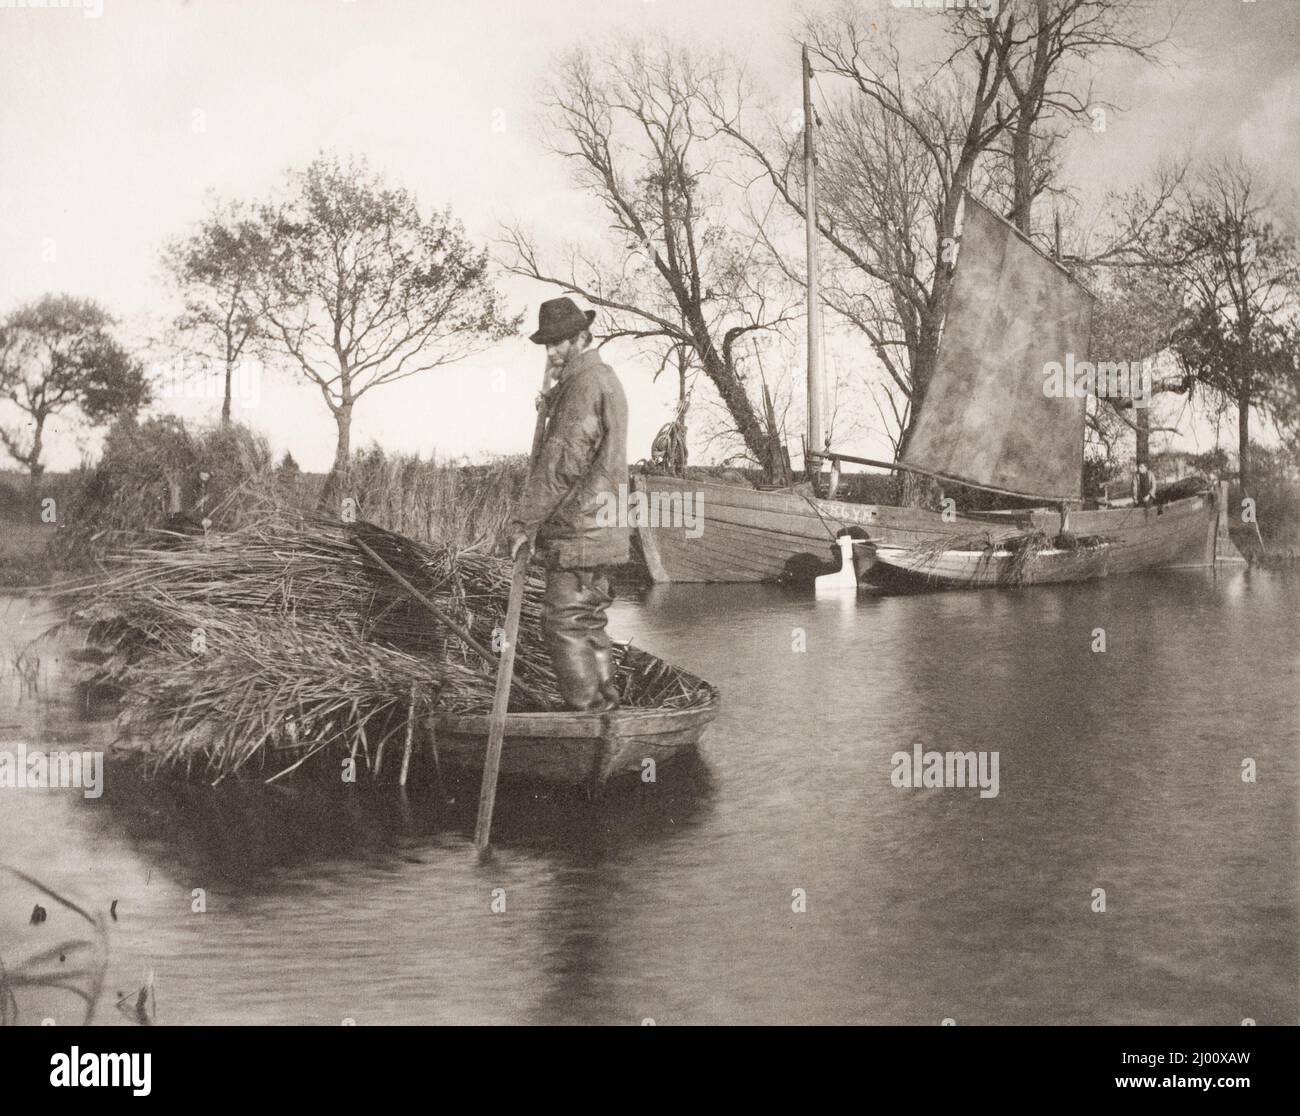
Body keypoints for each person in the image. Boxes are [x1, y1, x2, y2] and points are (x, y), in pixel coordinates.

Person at [506, 297, 629, 712]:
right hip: (605, 531)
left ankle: (586, 713)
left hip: (579, 531)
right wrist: (551, 405)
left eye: (559, 343)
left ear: (581, 337)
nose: (552, 352)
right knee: (588, 619)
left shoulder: (581, 386)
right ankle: (604, 705)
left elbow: (561, 465)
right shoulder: (603, 379)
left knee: (563, 622)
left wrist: (524, 524)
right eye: (547, 345)